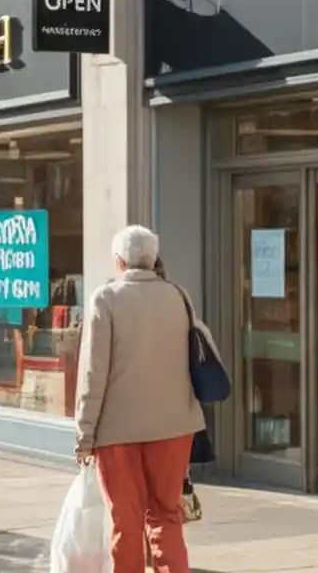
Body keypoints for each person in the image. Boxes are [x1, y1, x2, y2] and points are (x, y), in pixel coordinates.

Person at [74, 225, 206, 573]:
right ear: (153, 259)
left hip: (118, 430)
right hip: (175, 426)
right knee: (166, 514)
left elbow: (93, 373)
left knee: (126, 522)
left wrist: (85, 434)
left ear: (119, 261)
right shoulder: (178, 295)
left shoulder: (106, 298)